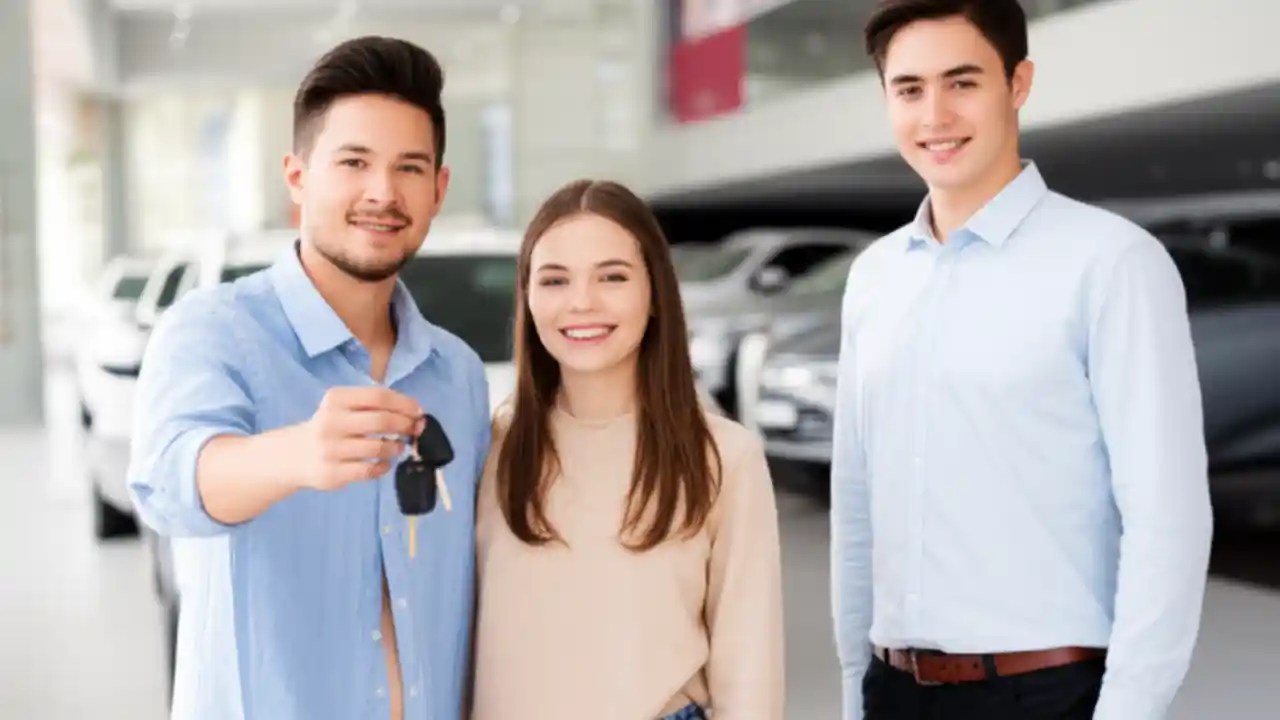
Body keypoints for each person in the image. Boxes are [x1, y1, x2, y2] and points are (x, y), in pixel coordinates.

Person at [830, 1, 1214, 719]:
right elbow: (857, 504)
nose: (935, 114)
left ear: (1020, 83)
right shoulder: (875, 277)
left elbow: (1169, 518)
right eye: (909, 89)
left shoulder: (1112, 263)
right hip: (893, 692)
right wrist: (857, 687)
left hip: (1048, 695)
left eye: (963, 81)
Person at [127, 36, 491, 720]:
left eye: (409, 168)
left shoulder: (459, 373)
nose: (383, 192)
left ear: (438, 189)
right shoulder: (213, 329)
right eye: (354, 162)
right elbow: (167, 485)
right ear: (297, 178)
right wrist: (292, 454)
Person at [469, 180, 786, 720]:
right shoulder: (491, 444)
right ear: (527, 297)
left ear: (656, 292)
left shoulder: (723, 455)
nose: (582, 302)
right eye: (554, 280)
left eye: (612, 276)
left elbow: (749, 672)